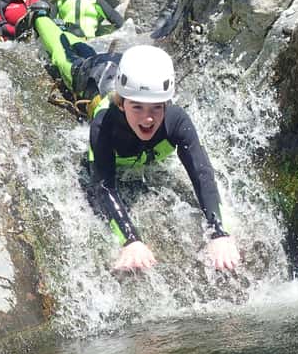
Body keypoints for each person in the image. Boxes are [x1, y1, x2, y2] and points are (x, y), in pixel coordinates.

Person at [86, 45, 240, 271]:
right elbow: (103, 186)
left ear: (166, 104)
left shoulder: (176, 121)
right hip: (99, 72)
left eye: (156, 108)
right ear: (121, 104)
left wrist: (219, 232)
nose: (147, 119)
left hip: (129, 70)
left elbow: (202, 173)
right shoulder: (104, 125)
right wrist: (130, 240)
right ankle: (37, 16)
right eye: (137, 107)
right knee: (69, 56)